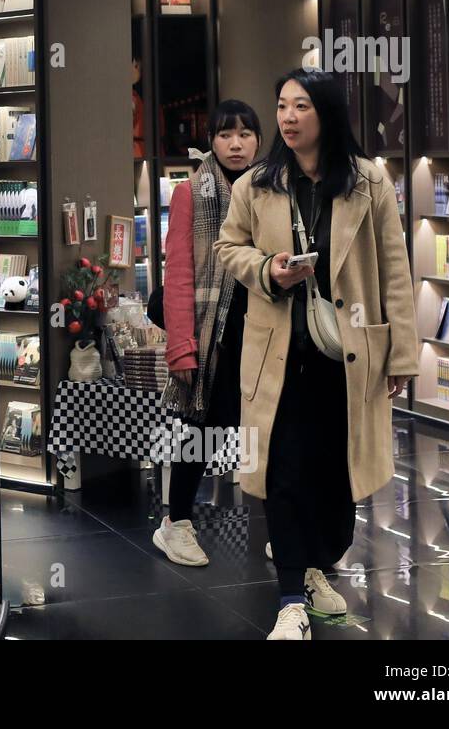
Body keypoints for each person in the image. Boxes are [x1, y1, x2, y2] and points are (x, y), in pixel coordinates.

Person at [214, 69, 417, 640]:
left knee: (336, 478)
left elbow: (395, 270)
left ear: (325, 113)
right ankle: (288, 600)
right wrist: (267, 269)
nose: (288, 117)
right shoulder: (256, 184)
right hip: (278, 356)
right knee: (283, 475)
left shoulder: (368, 182)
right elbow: (228, 247)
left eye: (301, 106)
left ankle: (315, 566)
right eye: (281, 106)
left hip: (346, 357)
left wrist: (401, 352)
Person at [153, 101, 261, 567]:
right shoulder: (190, 194)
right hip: (212, 332)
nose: (236, 144)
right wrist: (182, 348)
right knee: (204, 431)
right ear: (212, 142)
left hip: (261, 330)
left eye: (245, 134)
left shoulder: (271, 189)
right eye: (224, 135)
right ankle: (175, 524)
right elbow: (177, 275)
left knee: (270, 433)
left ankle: (280, 529)